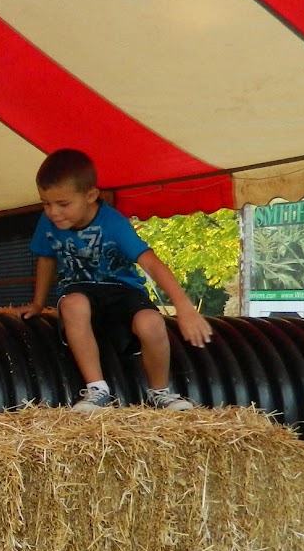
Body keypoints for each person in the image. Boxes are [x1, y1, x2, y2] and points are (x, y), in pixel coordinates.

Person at [16, 148, 212, 411]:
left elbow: (151, 262)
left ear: (90, 195)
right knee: (73, 304)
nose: (53, 212)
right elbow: (46, 258)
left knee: (151, 322)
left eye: (63, 204)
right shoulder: (48, 222)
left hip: (122, 290)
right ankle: (97, 388)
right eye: (46, 203)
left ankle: (160, 391)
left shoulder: (113, 224)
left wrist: (185, 308)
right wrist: (38, 303)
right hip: (80, 288)